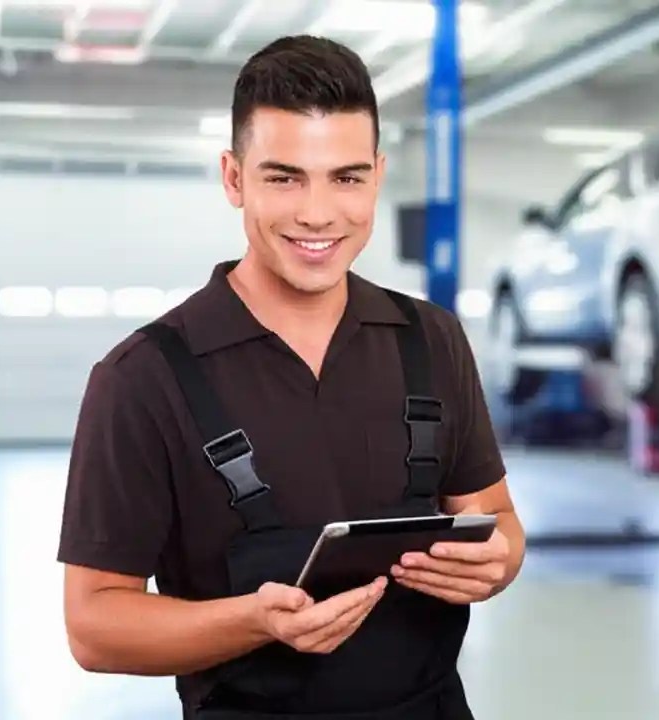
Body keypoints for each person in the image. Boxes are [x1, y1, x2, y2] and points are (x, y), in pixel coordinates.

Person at [58, 35, 525, 719]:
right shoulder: (143, 378)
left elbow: (500, 522)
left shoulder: (432, 340)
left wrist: (499, 563)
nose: (318, 213)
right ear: (233, 178)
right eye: (284, 177)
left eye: (346, 177)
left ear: (377, 175)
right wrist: (257, 621)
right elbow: (94, 626)